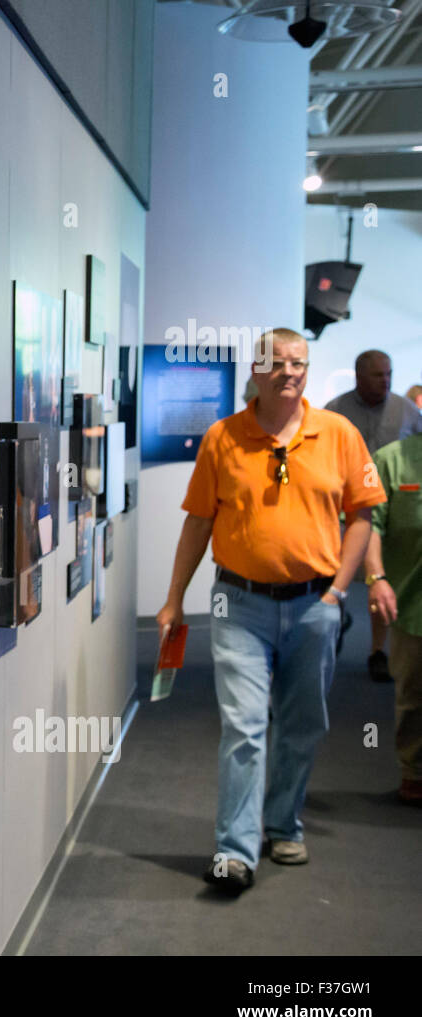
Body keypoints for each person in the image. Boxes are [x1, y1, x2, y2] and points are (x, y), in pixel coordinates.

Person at [156, 328, 386, 895]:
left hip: (314, 606)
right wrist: (173, 597)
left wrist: (338, 591)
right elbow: (198, 520)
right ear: (256, 371)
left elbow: (363, 514)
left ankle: (284, 823)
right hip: (238, 605)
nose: (290, 372)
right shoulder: (223, 438)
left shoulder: (337, 434)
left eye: (299, 363)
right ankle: (234, 851)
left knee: (304, 724)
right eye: (278, 363)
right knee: (244, 727)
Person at [325, 351, 422, 682]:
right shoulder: (334, 413)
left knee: (381, 578)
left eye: (389, 374)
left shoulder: (407, 410)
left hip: (387, 511)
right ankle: (334, 623)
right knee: (336, 575)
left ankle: (377, 650)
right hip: (342, 511)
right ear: (358, 377)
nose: (386, 380)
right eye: (377, 375)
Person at [363, 430, 422, 807]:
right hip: (412, 602)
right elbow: (369, 522)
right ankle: (414, 770)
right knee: (413, 691)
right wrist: (376, 576)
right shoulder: (390, 459)